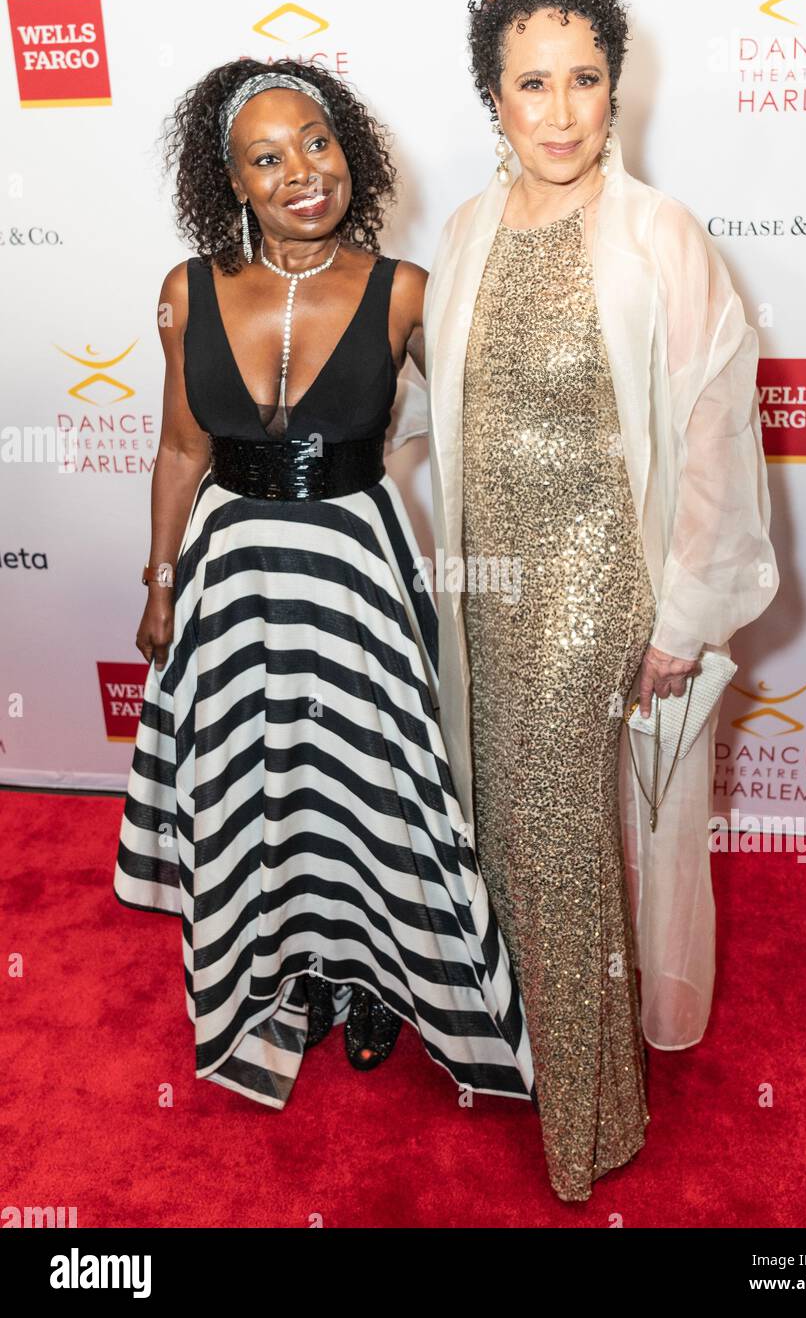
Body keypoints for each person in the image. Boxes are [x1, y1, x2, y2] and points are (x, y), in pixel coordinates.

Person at [113, 59, 534, 1112]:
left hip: (353, 577)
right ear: (233, 183)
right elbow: (177, 453)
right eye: (267, 156)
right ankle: (279, 971)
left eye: (316, 140)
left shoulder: (404, 292)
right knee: (257, 782)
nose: (301, 170)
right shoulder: (185, 291)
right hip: (230, 579)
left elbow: (495, 430)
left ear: (349, 145)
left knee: (369, 788)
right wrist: (162, 587)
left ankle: (373, 975)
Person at [423, 0, 779, 1200]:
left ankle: (590, 1117)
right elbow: (438, 421)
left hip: (596, 593)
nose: (562, 110)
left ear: (614, 87)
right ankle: (522, 1042)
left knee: (567, 837)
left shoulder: (657, 233)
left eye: (584, 79)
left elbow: (712, 428)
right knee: (508, 831)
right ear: (493, 96)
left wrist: (683, 613)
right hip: (484, 593)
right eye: (534, 83)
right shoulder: (464, 234)